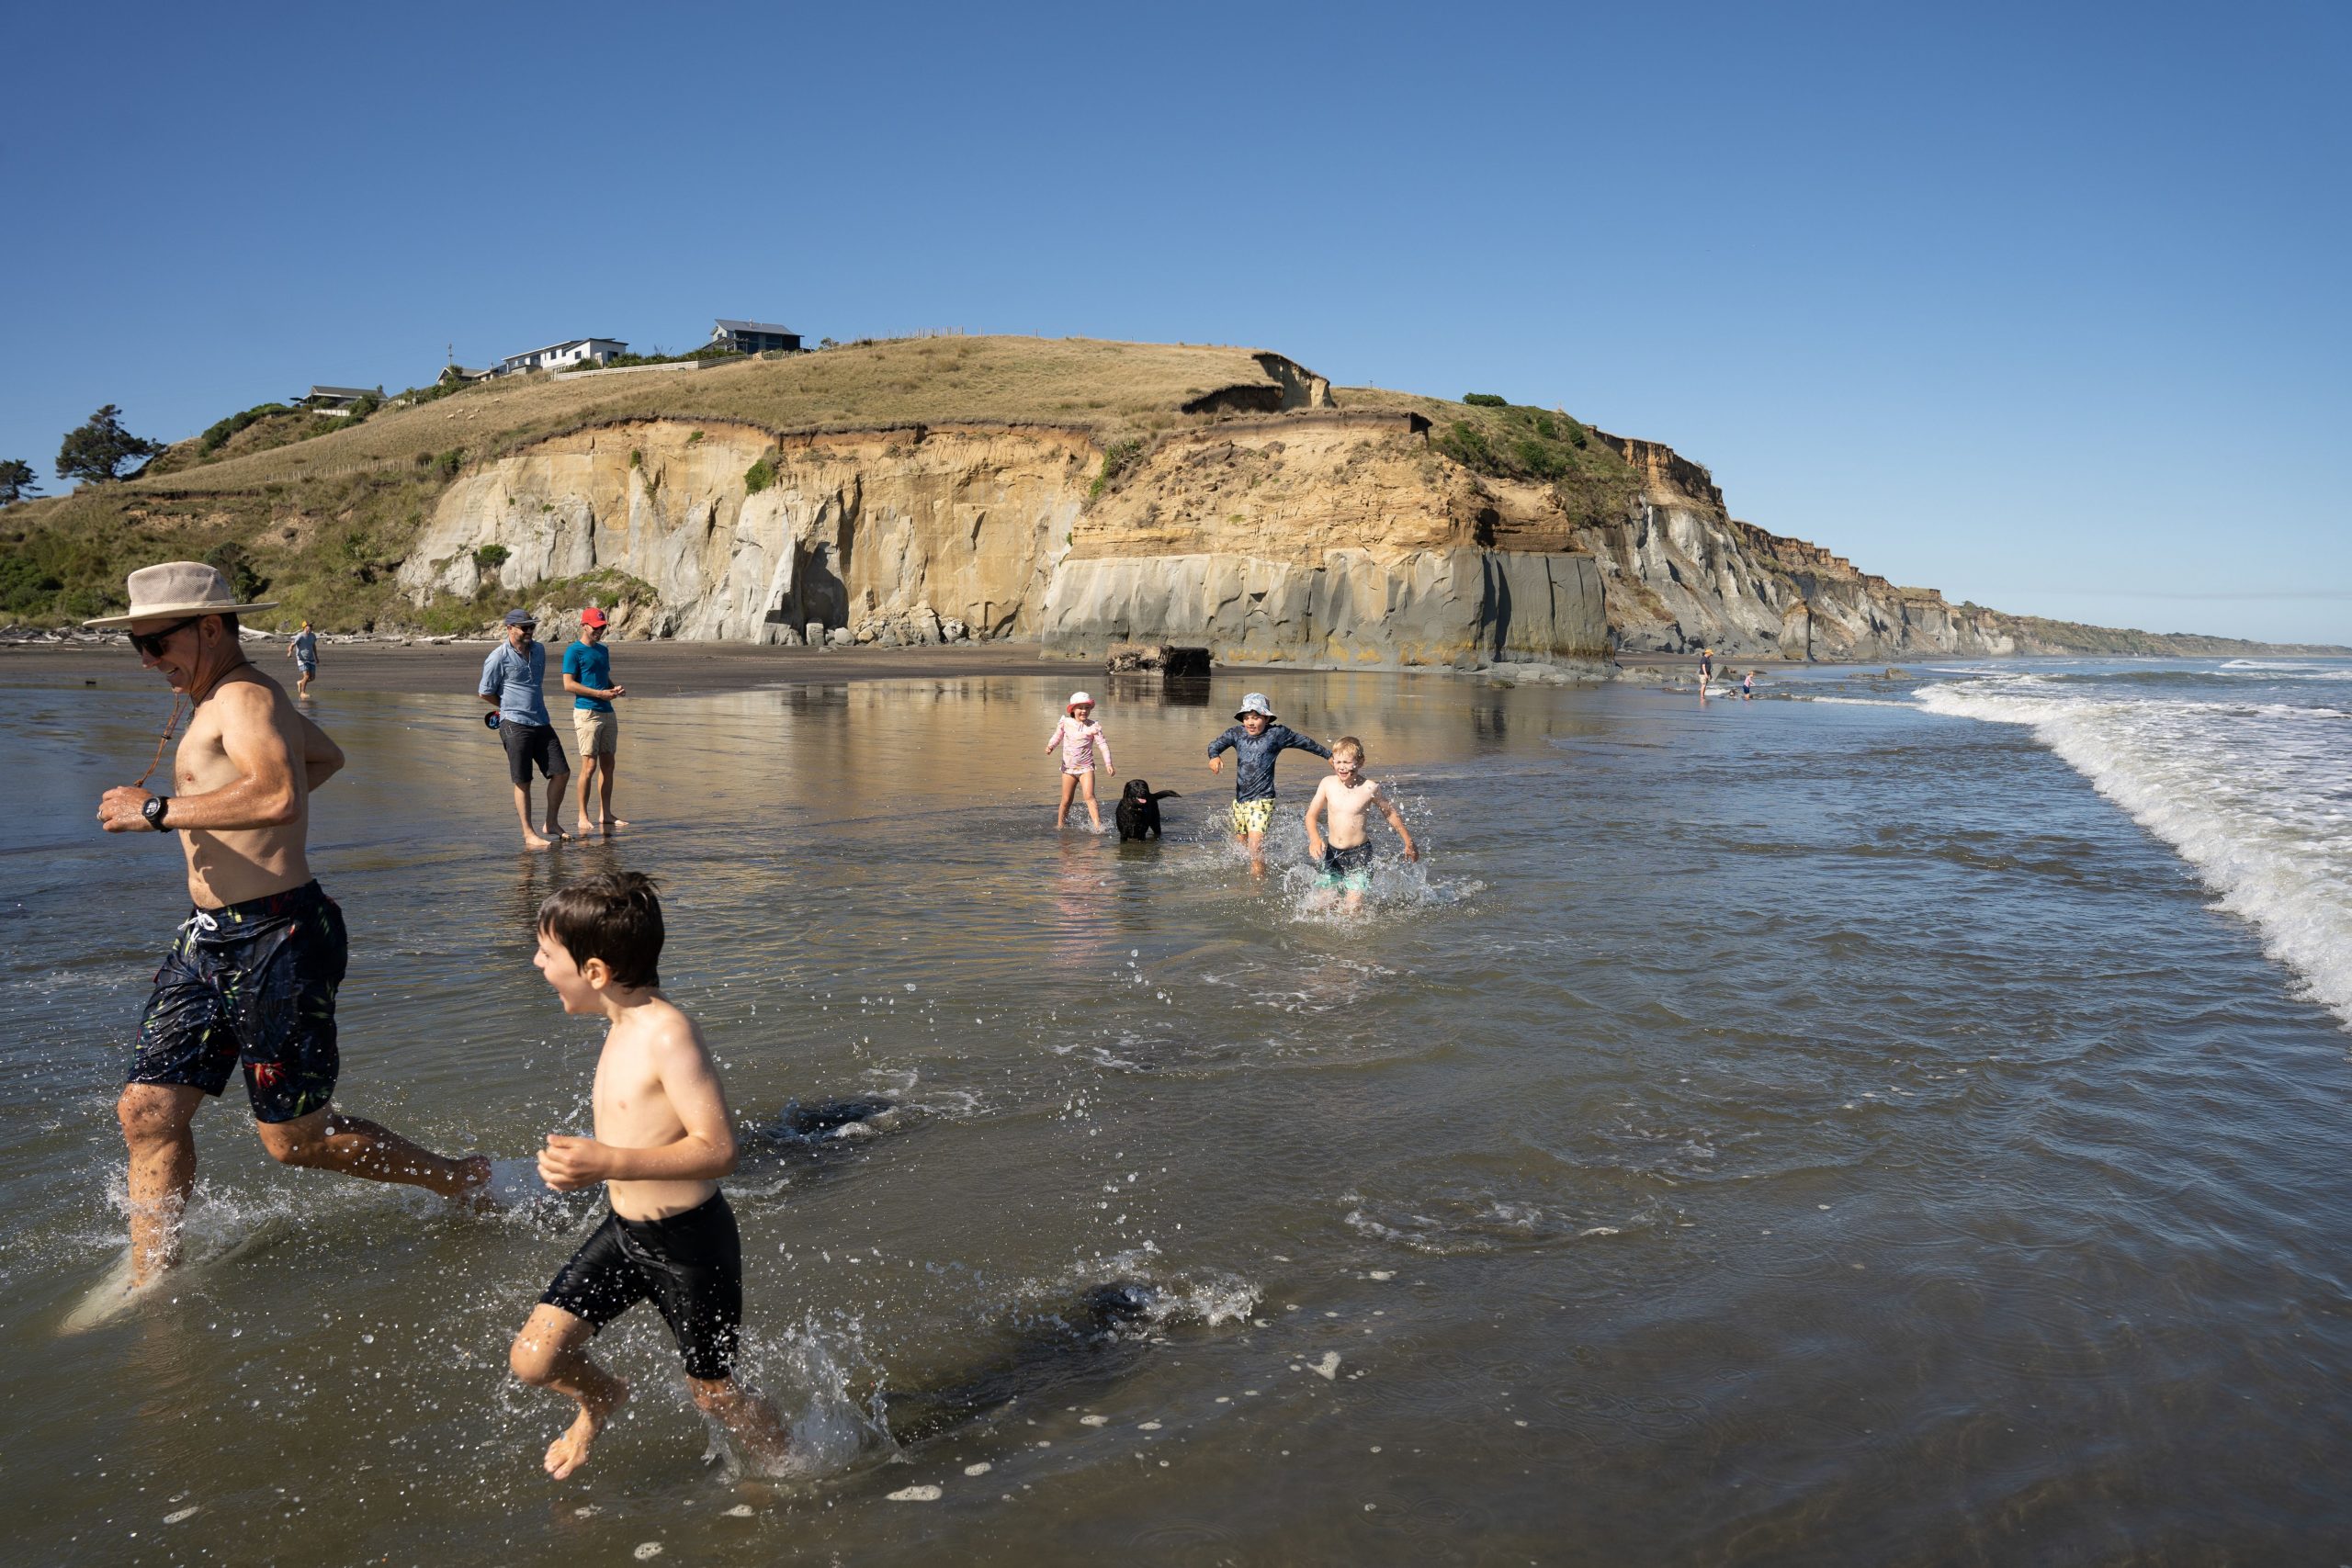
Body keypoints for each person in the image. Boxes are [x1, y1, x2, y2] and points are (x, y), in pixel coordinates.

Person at [87, 562, 488, 1295]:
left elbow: (276, 791)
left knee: (295, 1142)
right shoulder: (225, 698)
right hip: (207, 936)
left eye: (155, 643)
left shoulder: (241, 695)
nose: (147, 661)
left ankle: (460, 1178)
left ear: (209, 628)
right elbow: (322, 759)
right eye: (135, 646)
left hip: (278, 936)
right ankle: (153, 1281)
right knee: (146, 1110)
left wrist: (158, 811)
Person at [508, 872, 795, 1480]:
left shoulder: (669, 1032)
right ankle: (602, 1397)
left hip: (691, 1244)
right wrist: (583, 1166)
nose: (535, 962)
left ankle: (790, 1470)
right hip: (626, 1234)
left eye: (545, 952)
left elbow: (719, 1150)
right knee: (535, 1359)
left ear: (594, 971)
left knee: (714, 1394)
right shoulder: (619, 1025)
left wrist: (608, 1161)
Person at [1206, 693, 1330, 873]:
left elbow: (1304, 742)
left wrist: (1328, 755)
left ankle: (1258, 887)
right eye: (1247, 718)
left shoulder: (1276, 734)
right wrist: (1214, 756)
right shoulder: (1236, 733)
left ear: (1266, 717)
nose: (1250, 722)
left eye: (1256, 718)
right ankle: (1246, 879)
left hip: (1262, 800)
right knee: (1240, 847)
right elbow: (1215, 744)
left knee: (1255, 847)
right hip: (1240, 801)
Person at [480, 608, 571, 848]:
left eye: (532, 626)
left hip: (541, 720)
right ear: (510, 629)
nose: (530, 631)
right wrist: (507, 706)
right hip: (514, 723)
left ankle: (551, 823)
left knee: (561, 772)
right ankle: (528, 834)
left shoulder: (540, 650)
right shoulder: (498, 656)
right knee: (523, 780)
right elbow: (485, 691)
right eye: (524, 627)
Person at [1302, 737, 1419, 912]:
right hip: (1332, 853)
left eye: (1347, 762)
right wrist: (1314, 838)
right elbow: (1311, 815)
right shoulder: (1327, 784)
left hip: (1360, 854)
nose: (1341, 767)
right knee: (1324, 905)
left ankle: (1354, 938)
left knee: (1352, 908)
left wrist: (1408, 841)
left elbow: (1390, 813)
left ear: (1360, 762)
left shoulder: (1369, 788)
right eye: (1337, 761)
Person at [561, 606, 628, 833]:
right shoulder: (574, 651)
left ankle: (605, 814)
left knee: (609, 765)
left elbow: (602, 677)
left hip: (607, 710)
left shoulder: (603, 650)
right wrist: (600, 694)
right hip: (587, 713)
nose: (600, 631)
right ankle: (582, 815)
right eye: (596, 627)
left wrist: (613, 688)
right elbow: (568, 684)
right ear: (584, 626)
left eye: (603, 627)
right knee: (589, 766)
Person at [1045, 690, 1114, 831]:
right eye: (1080, 708)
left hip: (1086, 768)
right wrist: (1051, 746)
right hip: (1068, 769)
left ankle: (1097, 827)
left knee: (1089, 796)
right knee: (1066, 800)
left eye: (1087, 708)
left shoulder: (1093, 727)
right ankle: (1060, 825)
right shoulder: (1065, 723)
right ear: (1073, 709)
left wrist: (1108, 764)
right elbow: (1057, 737)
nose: (1084, 711)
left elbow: (1103, 745)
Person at [285, 619, 318, 699]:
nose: (311, 627)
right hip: (302, 659)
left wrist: (316, 657)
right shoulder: (299, 636)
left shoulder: (313, 636)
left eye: (311, 626)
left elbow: (314, 646)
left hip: (311, 658)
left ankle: (300, 682)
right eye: (309, 626)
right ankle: (302, 693)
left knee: (312, 678)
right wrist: (289, 652)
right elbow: (291, 645)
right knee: (306, 676)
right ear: (305, 627)